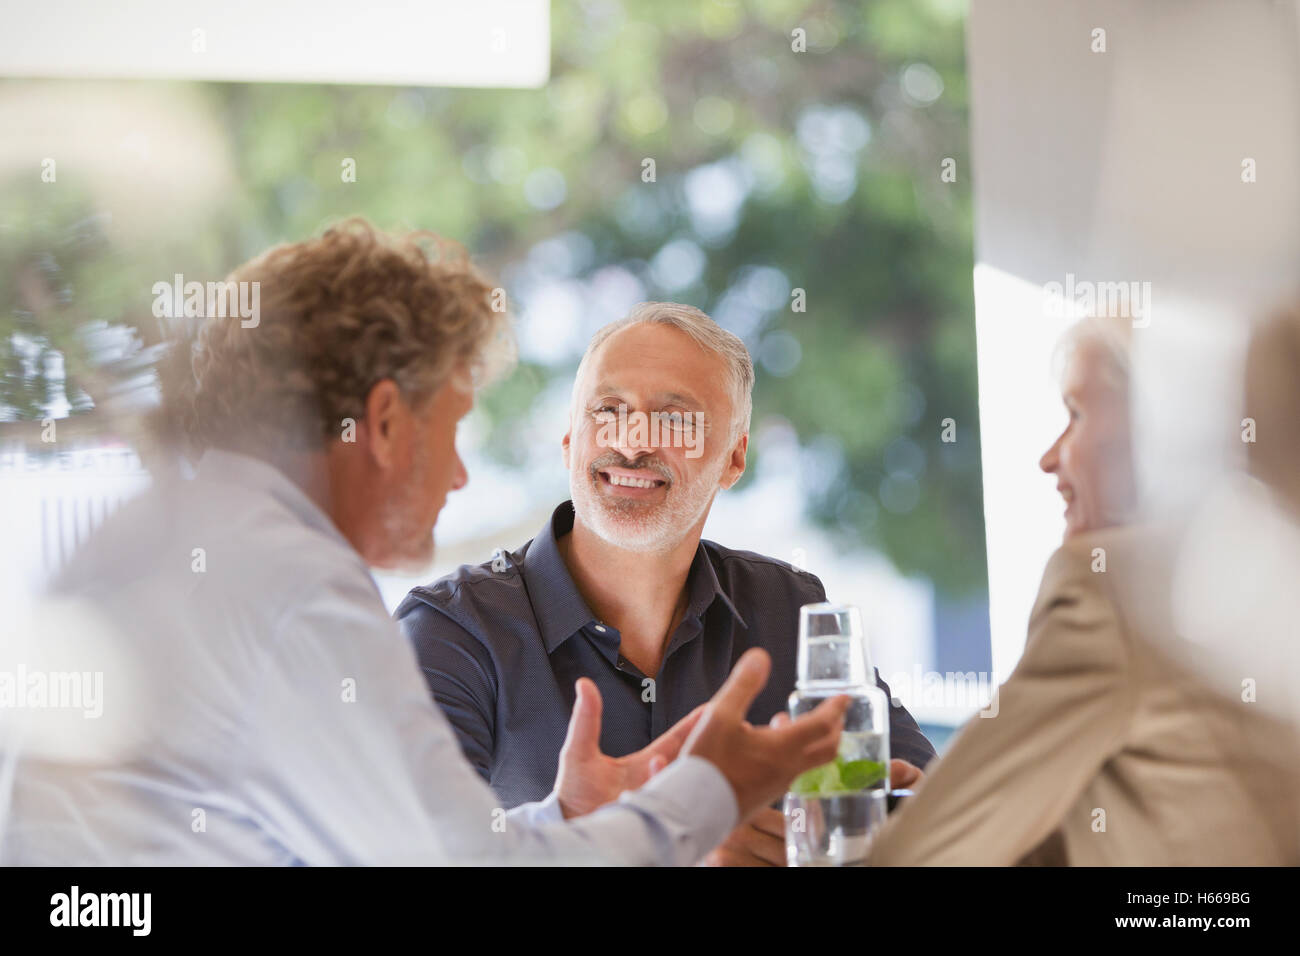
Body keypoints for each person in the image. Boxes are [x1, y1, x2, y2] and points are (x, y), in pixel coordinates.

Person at [0, 220, 851, 866]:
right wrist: (711, 792)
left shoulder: (170, 532)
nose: (457, 477)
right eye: (452, 428)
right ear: (380, 423)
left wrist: (559, 817)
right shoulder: (292, 584)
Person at [397, 302, 935, 867]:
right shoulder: (452, 632)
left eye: (676, 420)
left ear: (733, 458)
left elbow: (939, 811)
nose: (631, 443)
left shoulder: (791, 609)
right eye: (608, 409)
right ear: (568, 441)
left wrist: (879, 833)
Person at [867, 315, 1300, 865]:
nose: (1050, 457)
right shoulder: (1262, 577)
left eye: (1076, 414)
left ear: (1157, 428)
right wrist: (950, 802)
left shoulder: (1108, 591)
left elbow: (910, 860)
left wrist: (922, 820)